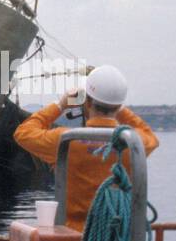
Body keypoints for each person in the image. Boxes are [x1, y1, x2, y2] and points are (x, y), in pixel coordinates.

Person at [13, 64, 159, 232]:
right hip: (116, 239)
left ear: (87, 101)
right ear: (119, 106)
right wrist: (120, 110)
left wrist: (60, 105)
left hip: (72, 237)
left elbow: (23, 133)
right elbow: (152, 137)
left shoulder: (66, 140)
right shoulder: (132, 143)